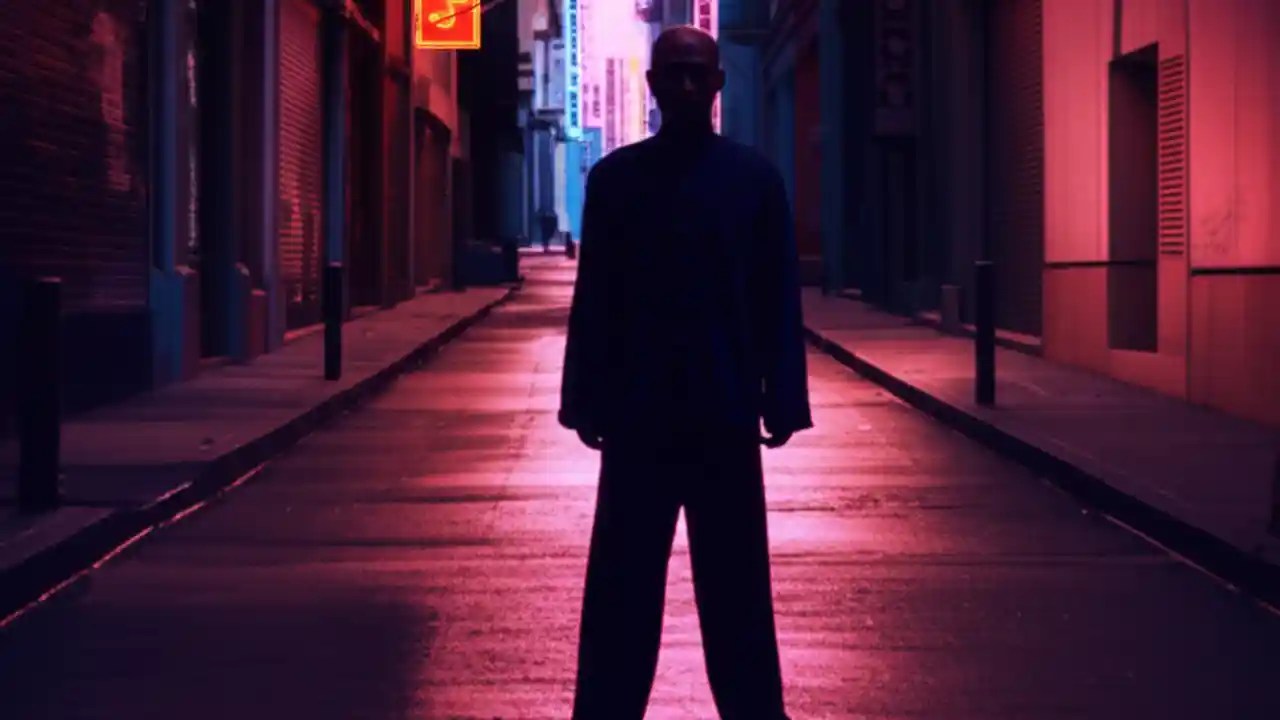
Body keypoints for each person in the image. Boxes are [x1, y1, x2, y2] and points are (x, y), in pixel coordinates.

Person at [558, 24, 811, 720]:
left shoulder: (753, 183)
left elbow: (775, 296)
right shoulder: (616, 181)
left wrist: (782, 398)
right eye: (675, 74)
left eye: (698, 75)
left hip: (720, 417)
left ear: (718, 84)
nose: (688, 87)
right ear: (654, 84)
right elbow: (596, 298)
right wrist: (584, 398)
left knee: (733, 591)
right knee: (622, 589)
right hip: (644, 418)